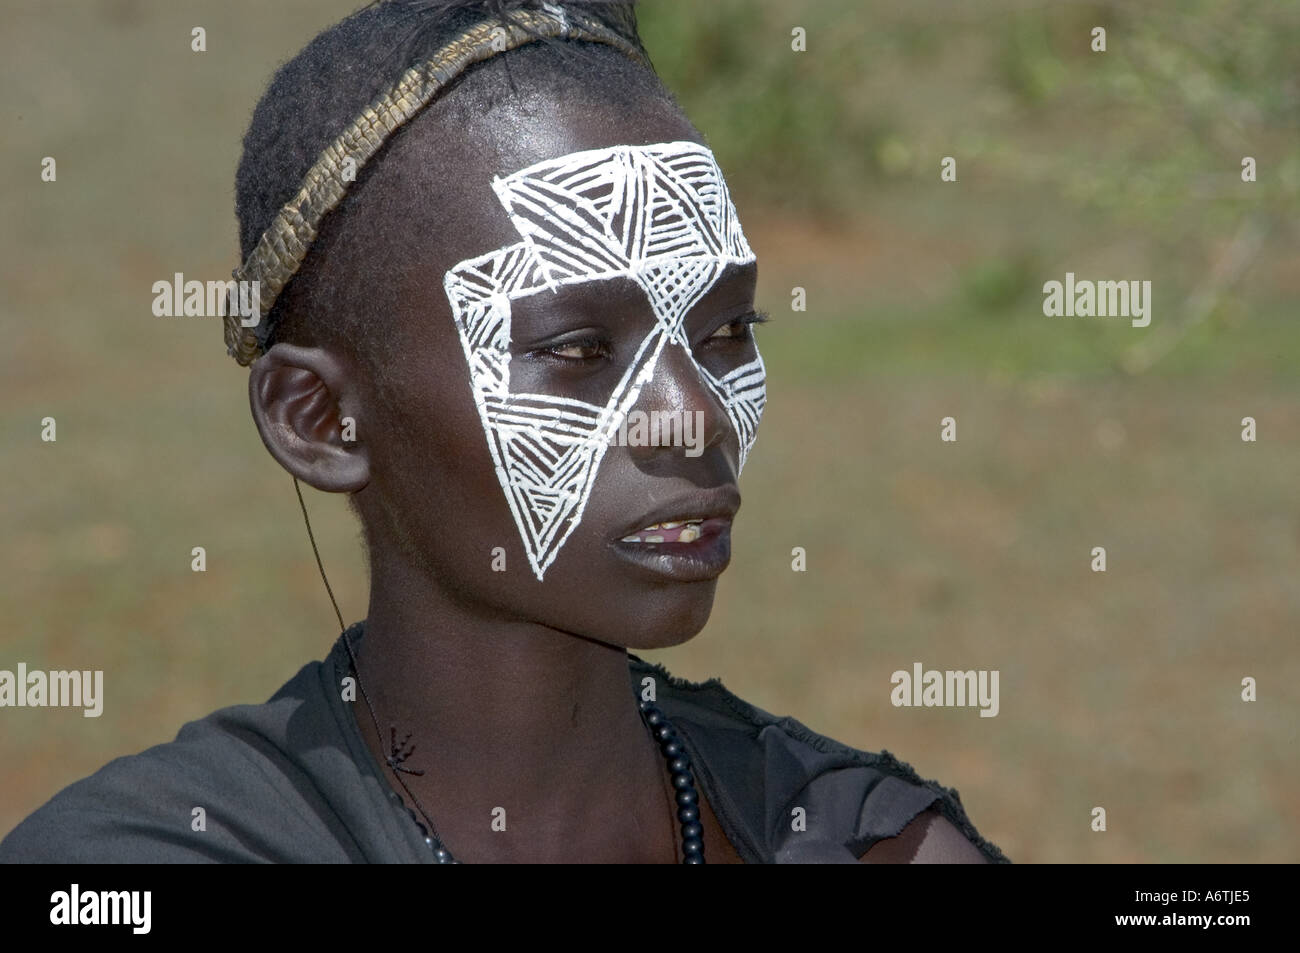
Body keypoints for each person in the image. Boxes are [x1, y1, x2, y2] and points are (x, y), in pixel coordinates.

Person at [0, 0, 1007, 863]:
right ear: (318, 420)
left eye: (726, 330)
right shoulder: (139, 862)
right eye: (575, 349)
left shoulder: (855, 841)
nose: (693, 412)